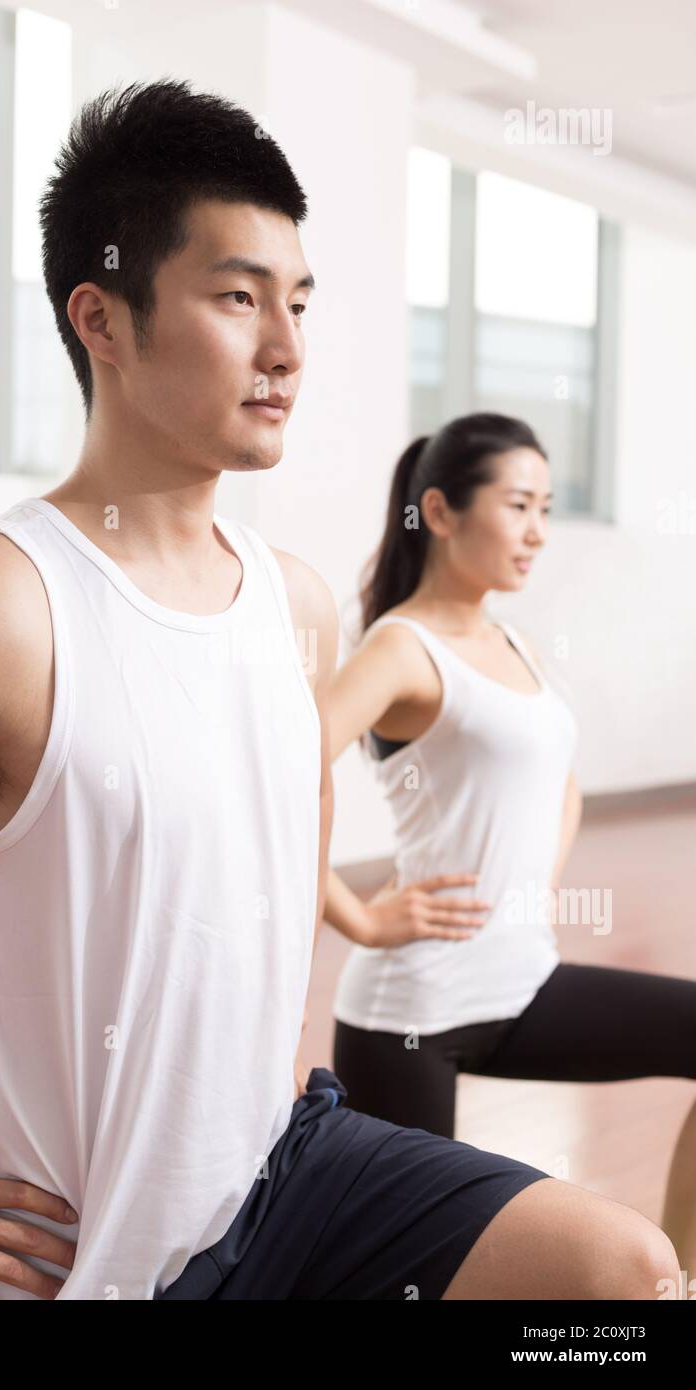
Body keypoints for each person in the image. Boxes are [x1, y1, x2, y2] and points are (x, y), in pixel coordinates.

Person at [0, 83, 680, 1301]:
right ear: (103, 319)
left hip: (288, 1166)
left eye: (297, 303)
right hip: (81, 1255)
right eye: (236, 298)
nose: (285, 347)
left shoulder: (295, 604)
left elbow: (282, 863)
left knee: (621, 1279)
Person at [324, 413, 696, 1274]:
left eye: (548, 507)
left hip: (519, 983)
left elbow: (558, 784)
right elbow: (276, 781)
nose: (538, 531)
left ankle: (677, 1283)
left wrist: (527, 883)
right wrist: (359, 919)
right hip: (410, 1014)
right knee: (410, 1272)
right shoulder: (403, 647)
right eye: (519, 505)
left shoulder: (511, 641)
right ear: (443, 513)